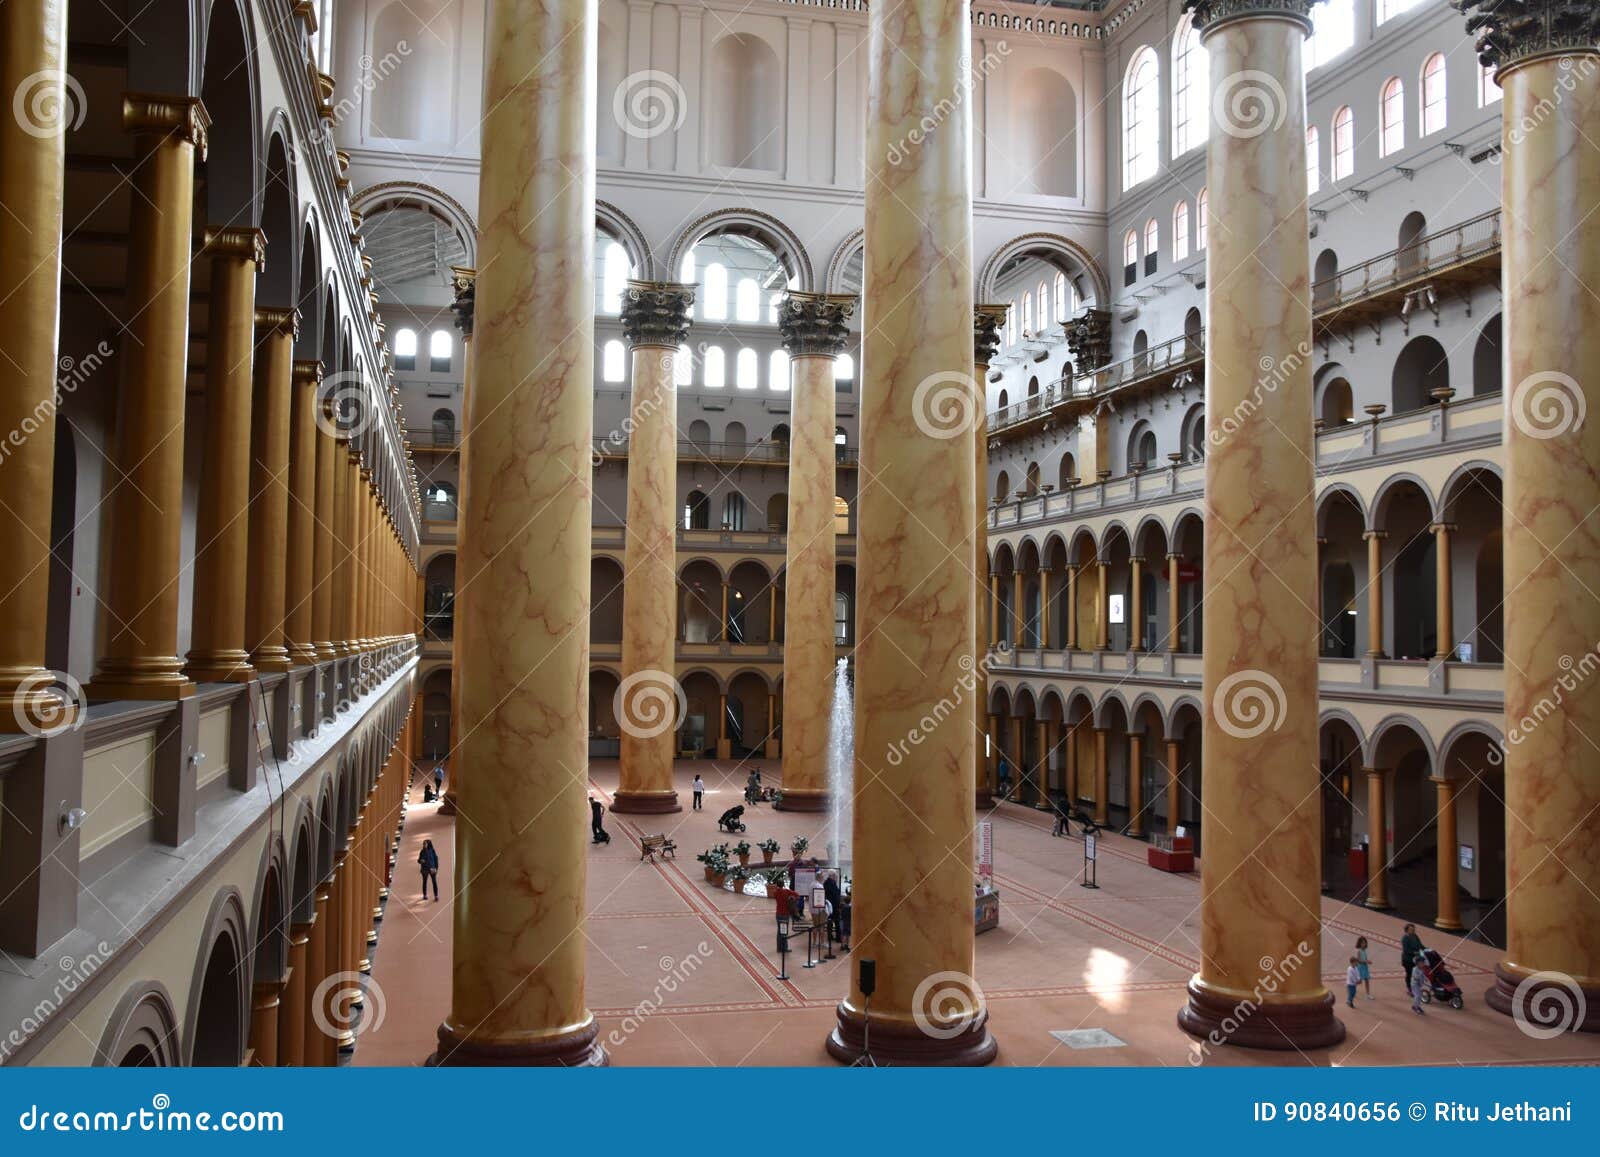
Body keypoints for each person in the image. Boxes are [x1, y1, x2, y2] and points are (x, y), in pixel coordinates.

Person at [1400, 923, 1424, 992]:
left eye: (1413, 929)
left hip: (1416, 959)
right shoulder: (1405, 938)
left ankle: (1417, 986)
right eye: (1411, 929)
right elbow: (1406, 950)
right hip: (1408, 960)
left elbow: (1420, 945)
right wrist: (1414, 953)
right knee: (1409, 974)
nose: (1413, 931)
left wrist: (1426, 949)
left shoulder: (1415, 936)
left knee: (1418, 973)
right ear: (1407, 930)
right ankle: (1409, 988)